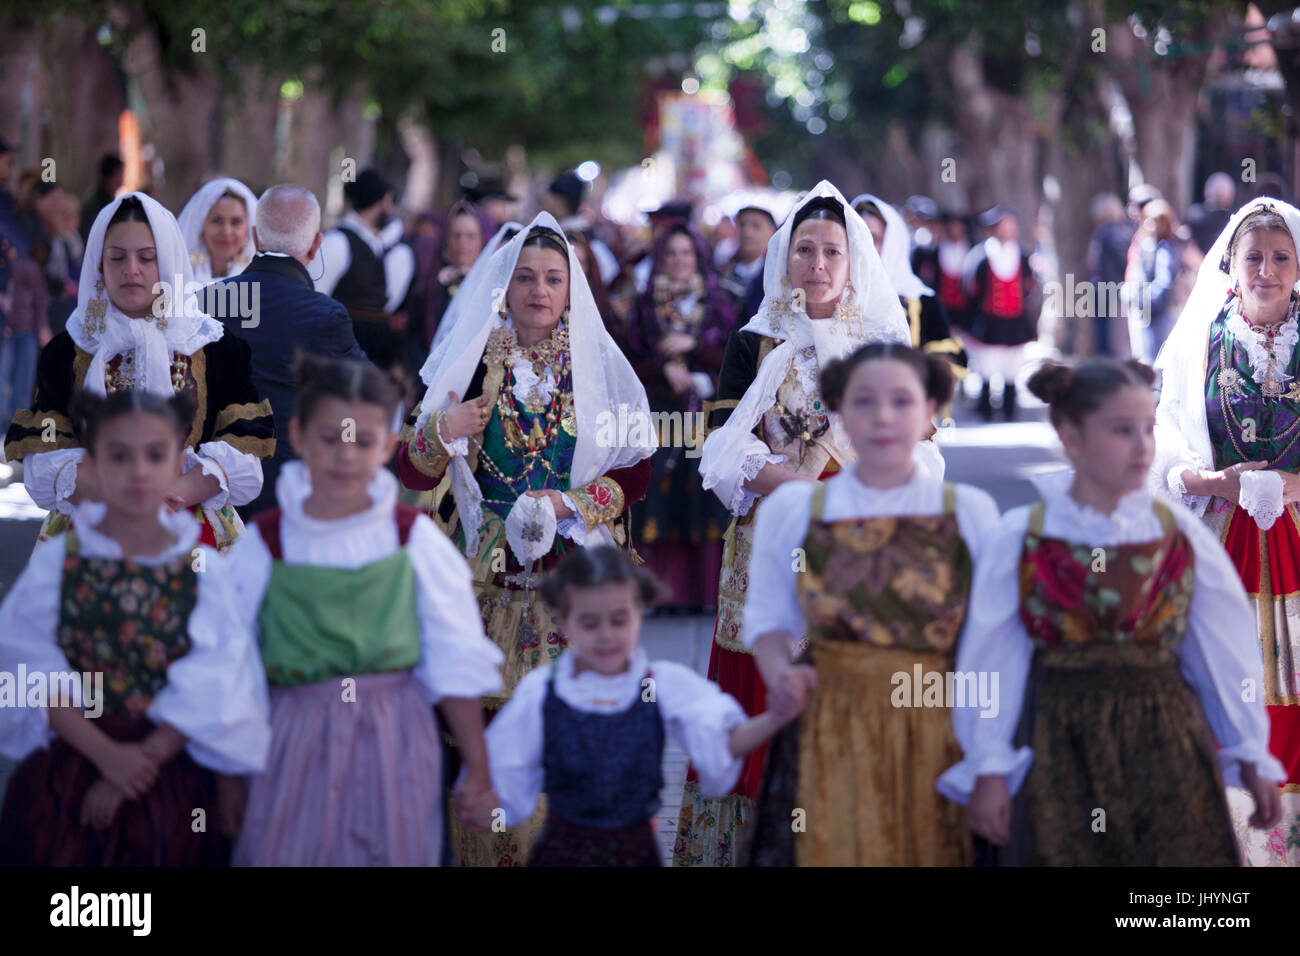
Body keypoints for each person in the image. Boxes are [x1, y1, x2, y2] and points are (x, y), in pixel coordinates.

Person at [943, 358, 1283, 864]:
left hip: (1165, 746)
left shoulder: (1176, 534)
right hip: (1057, 743)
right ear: (1071, 436)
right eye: (1122, 430)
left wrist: (1248, 751)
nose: (1143, 445)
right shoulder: (1024, 537)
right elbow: (991, 662)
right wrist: (989, 765)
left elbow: (1220, 650)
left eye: (1147, 428)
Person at [396, 213, 655, 865]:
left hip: (574, 583)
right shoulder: (473, 362)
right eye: (526, 279)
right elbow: (407, 468)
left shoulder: (594, 366)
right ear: (503, 288)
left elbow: (639, 466)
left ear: (572, 289)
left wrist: (572, 503)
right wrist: (442, 430)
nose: (539, 291)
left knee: (568, 731)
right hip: (484, 579)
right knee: (482, 731)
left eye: (553, 279)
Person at [673, 181, 913, 867]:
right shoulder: (756, 342)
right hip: (770, 536)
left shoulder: (882, 344)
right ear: (785, 259)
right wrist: (795, 486)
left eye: (831, 251)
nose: (817, 264)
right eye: (803, 249)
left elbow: (915, 450)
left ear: (853, 259)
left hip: (856, 543)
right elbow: (721, 444)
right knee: (767, 677)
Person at [226, 355, 502, 865]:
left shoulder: (413, 541)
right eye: (330, 439)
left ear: (387, 447)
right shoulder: (264, 544)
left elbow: (454, 661)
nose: (345, 457)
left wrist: (478, 772)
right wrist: (227, 778)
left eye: (363, 441)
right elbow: (228, 666)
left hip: (393, 743)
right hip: (291, 741)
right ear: (299, 435)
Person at [743, 343, 998, 865]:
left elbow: (993, 649)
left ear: (931, 412)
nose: (883, 417)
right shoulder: (796, 512)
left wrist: (991, 763)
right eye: (864, 401)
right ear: (838, 410)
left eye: (901, 401)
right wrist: (779, 673)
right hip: (829, 730)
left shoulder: (968, 514)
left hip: (938, 734)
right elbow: (769, 624)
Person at [0, 387, 270, 865]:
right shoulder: (61, 564)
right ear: (93, 464)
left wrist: (141, 761)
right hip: (76, 760)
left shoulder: (202, 570)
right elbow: (28, 669)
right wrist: (107, 756)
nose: (140, 471)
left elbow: (218, 676)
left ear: (179, 462)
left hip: (172, 772)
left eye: (155, 454)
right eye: (120, 456)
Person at [460, 545, 795, 866]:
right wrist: (488, 808)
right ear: (563, 621)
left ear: (640, 613)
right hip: (562, 856)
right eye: (590, 623)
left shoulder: (661, 685)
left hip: (636, 856)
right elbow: (505, 777)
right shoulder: (543, 692)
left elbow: (725, 740)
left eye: (619, 620)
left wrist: (774, 718)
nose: (606, 635)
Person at [1151, 198, 1300, 866]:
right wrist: (1217, 484)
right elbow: (1165, 447)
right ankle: (1231, 856)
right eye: (1253, 257)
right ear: (1230, 267)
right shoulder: (1198, 342)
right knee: (1223, 698)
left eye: (1281, 257)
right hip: (1220, 549)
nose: (1266, 270)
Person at [2, 193, 275, 552]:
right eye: (117, 258)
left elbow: (242, 447)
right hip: (91, 527)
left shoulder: (215, 347)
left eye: (147, 257)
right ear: (99, 265)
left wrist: (174, 493)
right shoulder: (68, 350)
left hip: (194, 532)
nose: (131, 269)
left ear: (169, 263)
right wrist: (115, 497)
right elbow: (48, 454)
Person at [199, 184, 364, 519]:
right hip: (290, 496)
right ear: (317, 245)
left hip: (213, 488)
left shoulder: (209, 299)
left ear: (255, 237)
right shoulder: (325, 315)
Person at [625, 221, 737, 609]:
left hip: (705, 415)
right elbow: (628, 360)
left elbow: (735, 359)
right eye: (670, 253)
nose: (678, 261)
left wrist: (698, 357)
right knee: (656, 494)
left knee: (703, 494)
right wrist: (661, 369)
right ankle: (659, 592)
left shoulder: (720, 303)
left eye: (685, 253)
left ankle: (702, 594)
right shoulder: (643, 304)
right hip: (658, 413)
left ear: (698, 257)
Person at [314, 168, 416, 379]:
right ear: (378, 203)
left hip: (371, 352)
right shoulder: (337, 242)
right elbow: (315, 296)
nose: (391, 209)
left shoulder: (374, 244)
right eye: (388, 202)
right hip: (341, 350)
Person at [853, 194, 966, 376]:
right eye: (859, 236)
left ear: (892, 242)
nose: (866, 246)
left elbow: (945, 363)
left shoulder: (921, 299)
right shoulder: (836, 294)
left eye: (875, 238)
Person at [962, 205, 1039, 421]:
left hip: (1015, 321)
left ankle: (1009, 408)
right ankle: (985, 407)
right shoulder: (980, 257)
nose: (1007, 231)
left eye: (1010, 226)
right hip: (989, 321)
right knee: (987, 365)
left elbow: (1029, 286)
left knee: (1012, 366)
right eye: (1002, 227)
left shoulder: (1022, 256)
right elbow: (970, 289)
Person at [1126, 199, 1182, 363]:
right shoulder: (1150, 244)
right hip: (1152, 310)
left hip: (1157, 312)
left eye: (1154, 222)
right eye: (1148, 221)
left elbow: (1163, 282)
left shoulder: (1165, 248)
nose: (1149, 225)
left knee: (1153, 362)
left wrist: (1143, 300)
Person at [177, 177, 259, 284]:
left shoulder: (259, 277)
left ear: (248, 227)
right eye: (217, 221)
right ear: (201, 225)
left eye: (236, 222)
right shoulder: (181, 274)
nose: (227, 231)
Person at [1085, 193, 1133, 357]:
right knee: (1122, 339)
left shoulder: (1102, 233)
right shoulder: (1129, 230)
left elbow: (1093, 263)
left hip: (1103, 290)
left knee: (1105, 339)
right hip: (1121, 289)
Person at [718, 204, 777, 316]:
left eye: (756, 226)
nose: (747, 231)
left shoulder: (776, 279)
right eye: (742, 224)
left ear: (773, 233)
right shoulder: (724, 271)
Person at [1189, 172, 1237, 257]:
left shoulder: (1233, 219)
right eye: (1220, 189)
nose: (1223, 193)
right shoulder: (1196, 215)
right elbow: (1189, 246)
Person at [80, 153, 124, 242]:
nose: (122, 178)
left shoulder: (109, 199)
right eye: (120, 173)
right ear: (111, 175)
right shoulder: (94, 203)